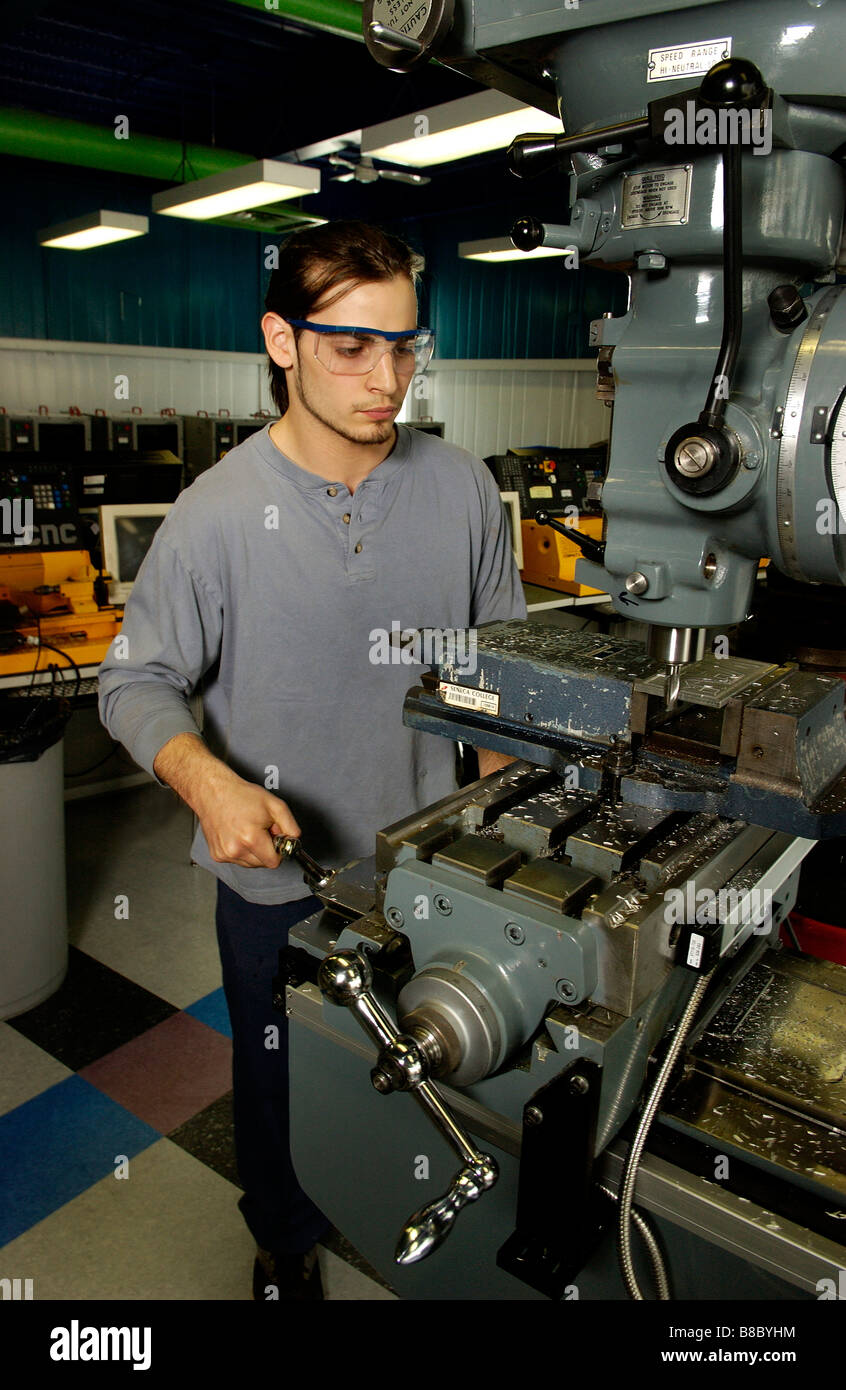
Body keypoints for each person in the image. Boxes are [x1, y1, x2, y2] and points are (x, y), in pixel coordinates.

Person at [98, 220, 527, 1300]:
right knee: (281, 1078)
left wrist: (505, 814)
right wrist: (206, 778)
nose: (387, 380)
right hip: (279, 886)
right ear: (280, 340)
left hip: (436, 875)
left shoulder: (464, 488)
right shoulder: (216, 516)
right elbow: (133, 681)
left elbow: (497, 675)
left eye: (404, 348)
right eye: (351, 347)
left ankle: (414, 1216)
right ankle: (285, 1242)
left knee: (453, 1067)